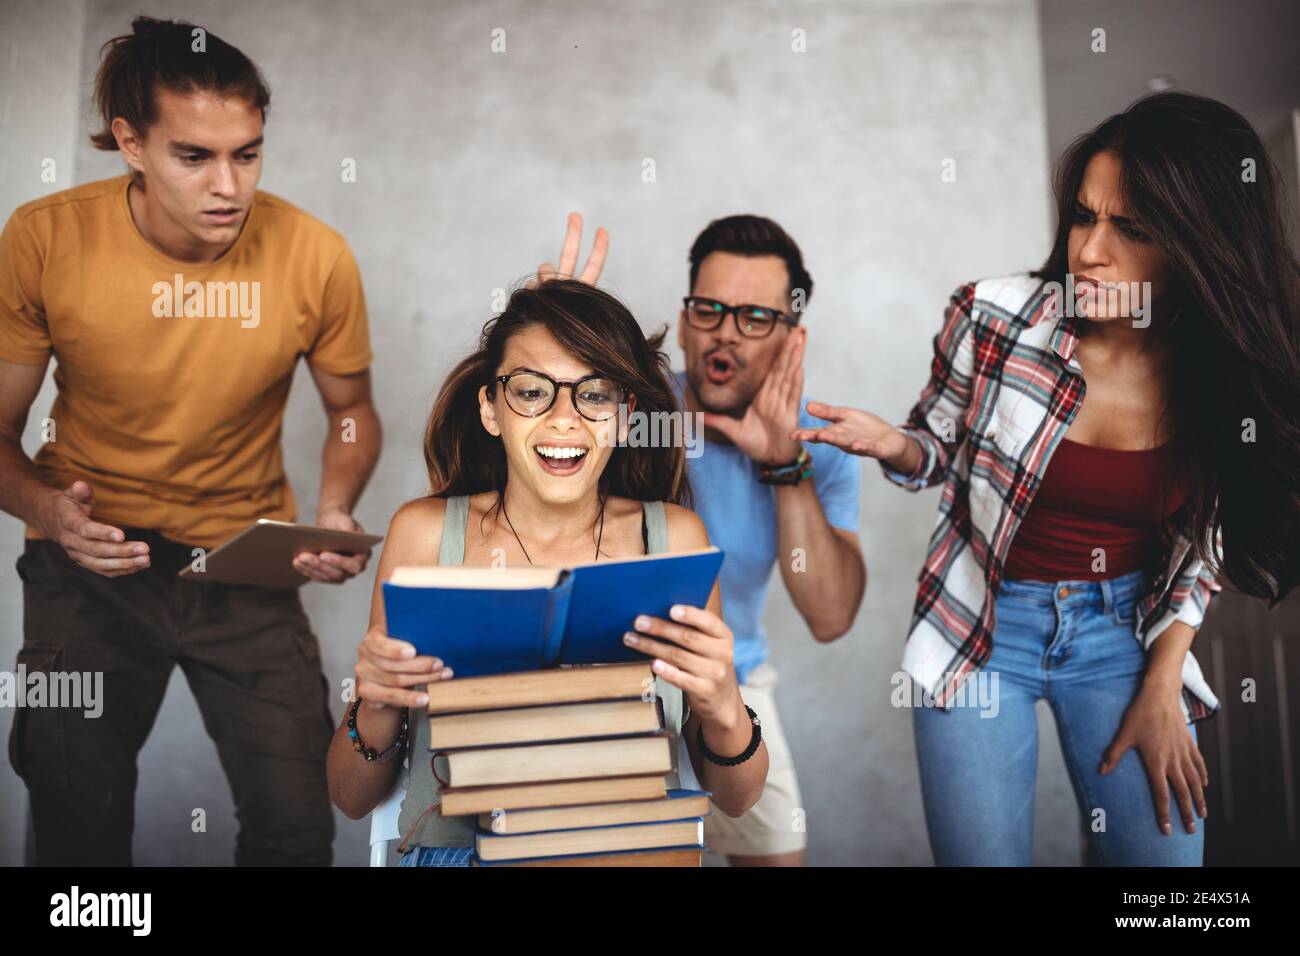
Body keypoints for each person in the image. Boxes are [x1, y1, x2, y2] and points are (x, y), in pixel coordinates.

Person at [793, 91, 1300, 865]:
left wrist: (1164, 679)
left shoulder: (1223, 371)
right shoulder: (994, 317)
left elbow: (1209, 538)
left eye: (1131, 229)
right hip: (982, 624)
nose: (1090, 251)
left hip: (1124, 636)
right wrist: (893, 446)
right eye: (1084, 216)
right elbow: (936, 450)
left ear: (1200, 243)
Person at [0, 17, 380, 865]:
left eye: (247, 153)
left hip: (245, 564)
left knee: (297, 825)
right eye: (195, 156)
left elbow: (352, 408)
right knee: (76, 823)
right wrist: (49, 513)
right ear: (130, 143)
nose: (229, 186)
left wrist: (335, 504)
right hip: (87, 570)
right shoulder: (43, 238)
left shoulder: (315, 255)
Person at [327, 276, 768, 866]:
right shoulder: (426, 534)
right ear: (490, 408)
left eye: (594, 394)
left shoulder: (673, 539)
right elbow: (350, 798)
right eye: (532, 392)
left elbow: (738, 800)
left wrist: (723, 705)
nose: (565, 419)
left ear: (625, 415)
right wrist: (377, 704)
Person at [669, 215, 866, 866]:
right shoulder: (628, 413)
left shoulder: (823, 446)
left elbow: (831, 616)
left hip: (735, 679)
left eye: (755, 316)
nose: (725, 332)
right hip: (612, 680)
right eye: (709, 310)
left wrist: (785, 466)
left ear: (790, 339)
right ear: (684, 318)